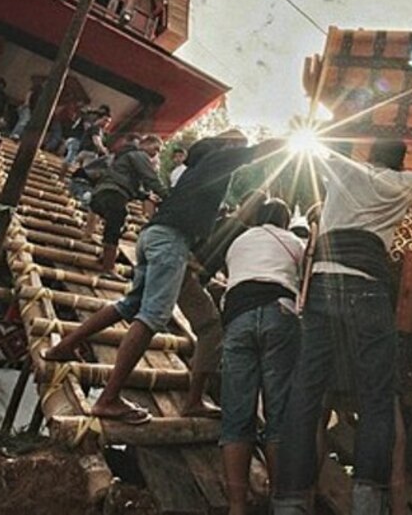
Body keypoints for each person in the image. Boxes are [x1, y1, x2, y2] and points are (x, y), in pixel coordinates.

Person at [43, 131, 285, 424]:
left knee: (131, 305)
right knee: (153, 316)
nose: (241, 148)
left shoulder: (197, 175)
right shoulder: (219, 159)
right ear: (227, 146)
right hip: (170, 241)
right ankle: (108, 398)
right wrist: (300, 140)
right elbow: (266, 147)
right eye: (238, 144)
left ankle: (64, 345)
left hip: (154, 237)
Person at [275, 137, 412, 515]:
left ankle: (288, 502)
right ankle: (367, 503)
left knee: (305, 396)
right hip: (369, 288)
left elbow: (322, 145)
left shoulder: (345, 169)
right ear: (400, 164)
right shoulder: (400, 184)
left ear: (369, 155)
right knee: (376, 400)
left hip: (324, 285)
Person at [220, 197, 306, 515]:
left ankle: (237, 507)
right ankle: (282, 503)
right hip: (279, 314)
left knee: (236, 416)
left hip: (238, 317)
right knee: (278, 414)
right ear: (284, 221)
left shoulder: (239, 240)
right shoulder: (293, 240)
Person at [83, 133, 168, 278]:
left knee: (119, 223)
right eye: (156, 148)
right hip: (112, 193)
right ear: (145, 143)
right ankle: (108, 267)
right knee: (116, 221)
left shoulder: (124, 157)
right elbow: (151, 179)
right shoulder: (139, 155)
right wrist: (168, 197)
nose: (156, 153)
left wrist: (145, 196)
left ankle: (105, 257)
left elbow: (128, 184)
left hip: (102, 194)